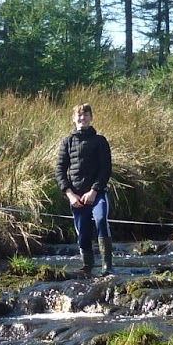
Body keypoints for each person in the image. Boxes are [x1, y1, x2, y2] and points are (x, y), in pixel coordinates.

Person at [56, 102, 114, 275]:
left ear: (91, 118)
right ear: (73, 119)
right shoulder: (67, 142)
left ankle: (107, 266)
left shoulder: (100, 141)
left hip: (98, 194)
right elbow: (59, 170)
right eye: (79, 115)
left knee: (101, 220)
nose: (83, 118)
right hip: (76, 196)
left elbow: (106, 169)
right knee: (83, 232)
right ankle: (87, 267)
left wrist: (94, 191)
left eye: (86, 115)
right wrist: (70, 194)